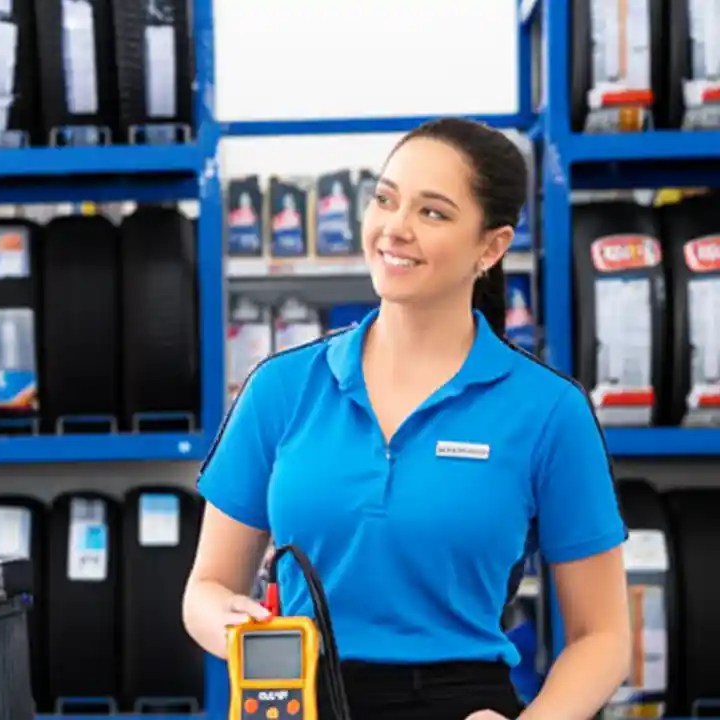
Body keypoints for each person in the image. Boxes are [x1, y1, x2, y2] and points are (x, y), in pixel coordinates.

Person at [183, 118, 631, 720]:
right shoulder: (280, 388)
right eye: (385, 199)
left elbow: (602, 636)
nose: (395, 227)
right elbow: (206, 588)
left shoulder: (550, 410)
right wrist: (236, 628)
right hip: (299, 699)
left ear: (491, 247)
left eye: (433, 212)